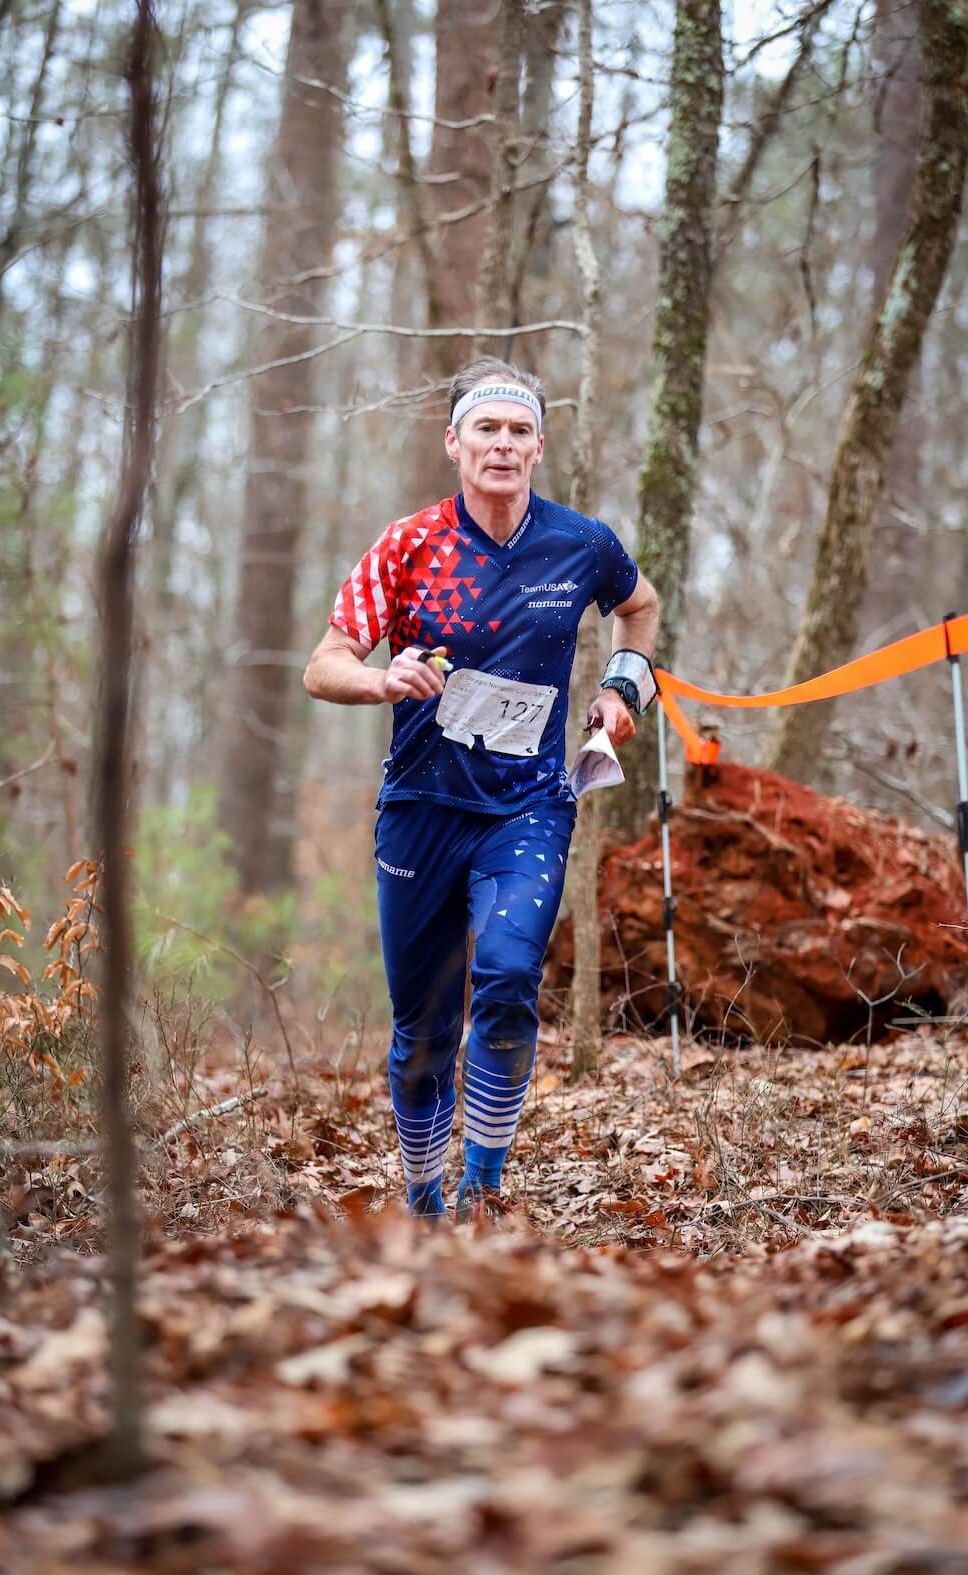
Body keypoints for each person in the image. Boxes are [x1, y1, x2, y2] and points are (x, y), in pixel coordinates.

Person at [304, 358, 659, 1222]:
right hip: (422, 809)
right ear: (454, 443)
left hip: (529, 804)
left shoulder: (583, 545)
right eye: (485, 429)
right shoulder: (409, 544)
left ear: (539, 446)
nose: (501, 445)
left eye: (517, 431)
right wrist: (383, 682)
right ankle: (425, 1199)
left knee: (503, 978)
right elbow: (323, 667)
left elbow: (641, 608)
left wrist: (622, 687)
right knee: (423, 1028)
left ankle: (485, 1186)